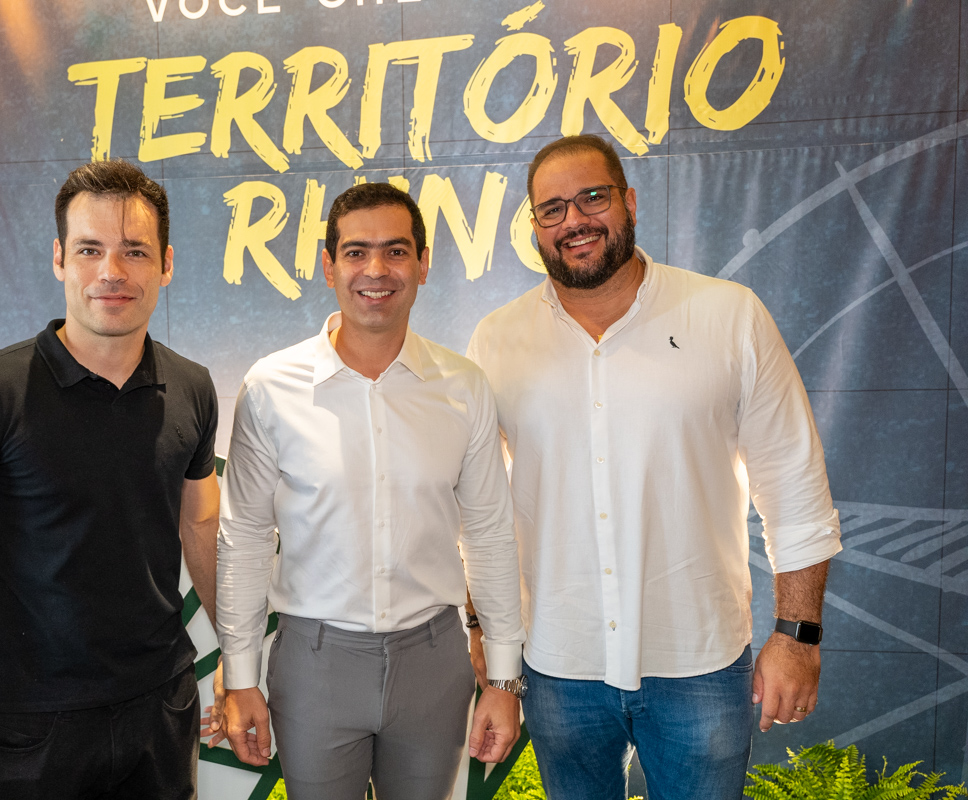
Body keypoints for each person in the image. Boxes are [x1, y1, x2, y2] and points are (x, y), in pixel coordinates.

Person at [466, 135, 843, 800]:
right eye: (552, 209)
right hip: (560, 664)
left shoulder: (728, 316)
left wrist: (798, 634)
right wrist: (483, 633)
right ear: (534, 229)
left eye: (592, 198)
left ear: (630, 201)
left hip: (698, 661)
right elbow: (477, 510)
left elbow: (794, 483)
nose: (574, 220)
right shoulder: (497, 340)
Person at [0, 159, 219, 800]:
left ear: (166, 264)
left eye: (134, 252)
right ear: (59, 260)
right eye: (90, 249)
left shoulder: (193, 388)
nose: (112, 272)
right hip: (32, 729)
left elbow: (201, 526)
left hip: (162, 707)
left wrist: (244, 667)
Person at [214, 183, 526, 800]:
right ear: (329, 265)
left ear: (423, 262)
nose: (376, 270)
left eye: (395, 251)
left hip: (435, 662)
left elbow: (489, 532)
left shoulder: (462, 387)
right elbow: (245, 536)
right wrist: (241, 675)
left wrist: (504, 679)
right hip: (314, 662)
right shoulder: (272, 387)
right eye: (356, 252)